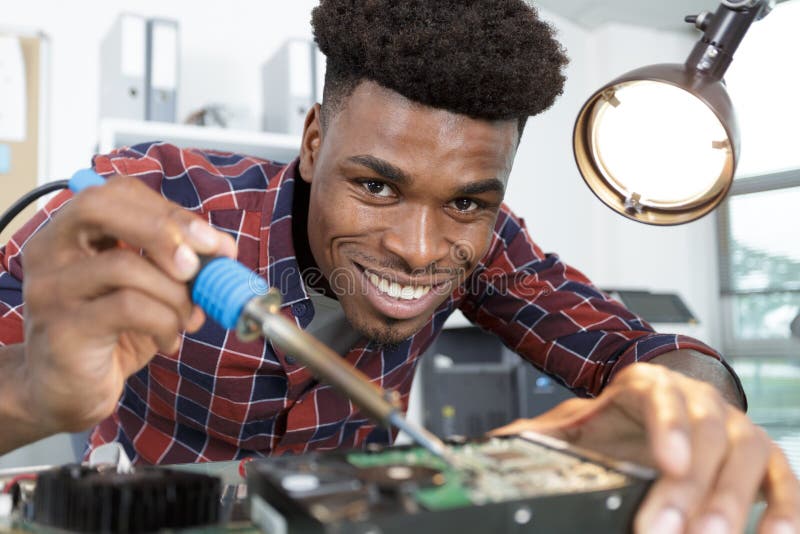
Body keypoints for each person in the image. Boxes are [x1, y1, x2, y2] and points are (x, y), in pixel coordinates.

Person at [0, 0, 797, 532]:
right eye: (377, 186)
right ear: (315, 141)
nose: (419, 248)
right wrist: (31, 391)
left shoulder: (488, 248)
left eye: (467, 201)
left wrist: (686, 402)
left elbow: (646, 351)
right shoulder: (156, 203)